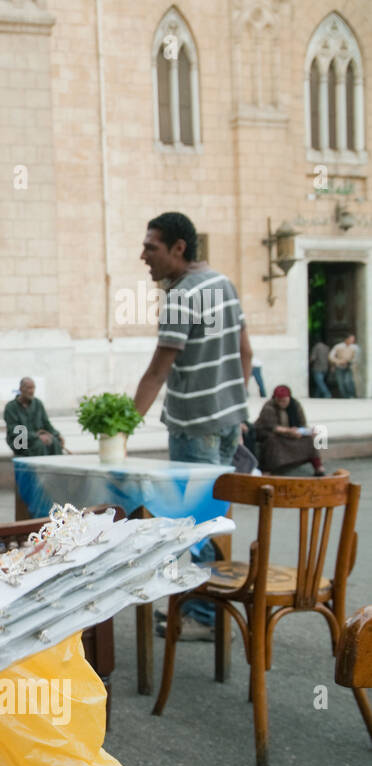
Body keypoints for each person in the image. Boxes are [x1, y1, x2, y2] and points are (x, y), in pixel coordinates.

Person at [134, 211, 251, 642]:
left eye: (152, 247)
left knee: (192, 522)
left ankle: (201, 612)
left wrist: (122, 426)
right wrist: (235, 409)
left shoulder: (181, 295)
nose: (143, 255)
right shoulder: (223, 283)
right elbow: (245, 352)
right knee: (213, 516)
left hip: (195, 425)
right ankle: (209, 607)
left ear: (179, 248)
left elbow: (158, 370)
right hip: (225, 422)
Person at [254, 386, 326, 476]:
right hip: (272, 433)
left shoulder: (295, 405)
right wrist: (289, 431)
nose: (282, 403)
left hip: (292, 432)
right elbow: (271, 426)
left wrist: (304, 431)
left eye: (284, 401)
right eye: (279, 400)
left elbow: (302, 423)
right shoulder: (269, 406)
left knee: (309, 440)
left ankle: (318, 467)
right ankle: (268, 469)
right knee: (272, 441)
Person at [3, 377, 64, 456]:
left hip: (38, 438)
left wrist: (57, 435)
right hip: (20, 441)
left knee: (54, 442)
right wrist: (36, 436)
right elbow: (15, 430)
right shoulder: (11, 407)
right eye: (28, 388)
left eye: (33, 388)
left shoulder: (38, 404)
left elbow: (46, 424)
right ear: (21, 389)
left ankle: (56, 467)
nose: (31, 391)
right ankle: (40, 467)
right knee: (39, 445)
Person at [329, 334, 359, 398]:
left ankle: (351, 395)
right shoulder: (338, 346)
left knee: (348, 381)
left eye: (353, 340)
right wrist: (338, 361)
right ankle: (344, 396)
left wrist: (350, 361)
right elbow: (331, 356)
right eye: (351, 340)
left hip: (349, 366)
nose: (352, 341)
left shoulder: (355, 347)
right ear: (346, 339)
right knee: (341, 382)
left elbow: (356, 357)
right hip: (339, 366)